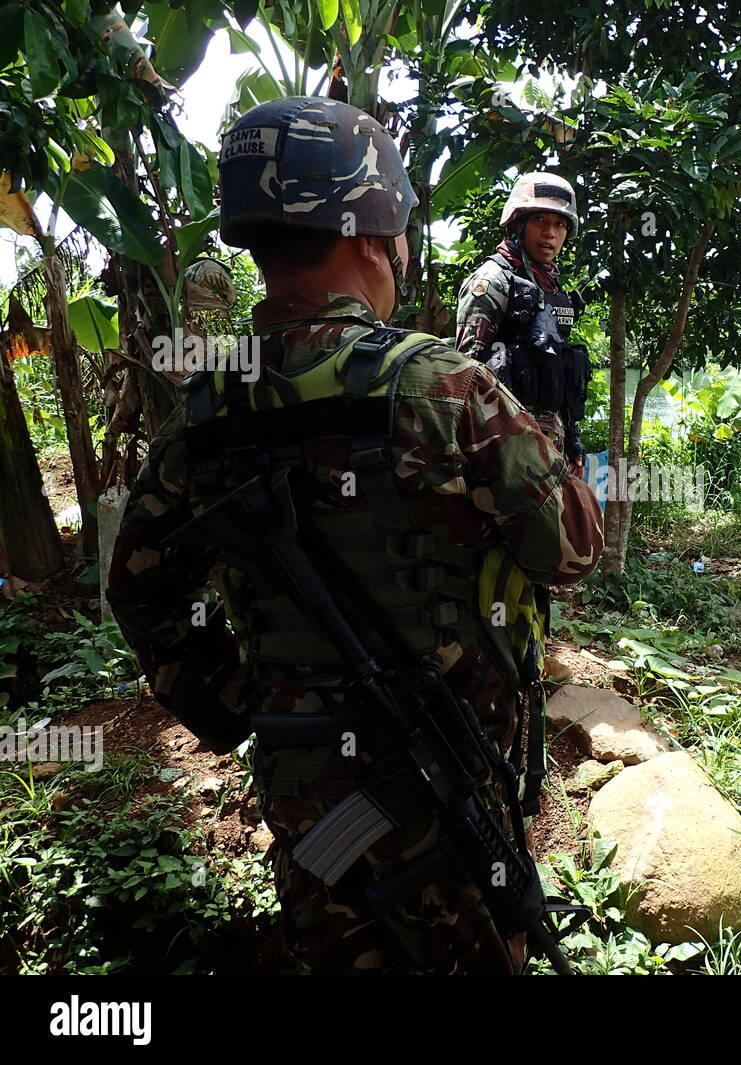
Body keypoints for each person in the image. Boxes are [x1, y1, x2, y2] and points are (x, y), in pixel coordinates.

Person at [105, 97, 603, 974]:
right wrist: (555, 438)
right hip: (449, 787)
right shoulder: (442, 391)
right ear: (371, 239)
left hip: (309, 796)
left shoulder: (206, 412)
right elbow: (572, 548)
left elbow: (141, 589)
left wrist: (236, 700)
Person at [455, 172, 590, 471]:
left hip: (550, 446)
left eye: (560, 224)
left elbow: (558, 372)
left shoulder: (549, 286)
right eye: (540, 220)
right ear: (517, 224)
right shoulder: (492, 282)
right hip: (503, 448)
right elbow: (466, 376)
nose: (551, 233)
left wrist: (573, 440)